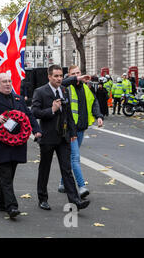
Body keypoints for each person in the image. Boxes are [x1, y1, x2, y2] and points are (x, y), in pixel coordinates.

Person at [0, 73, 42, 219]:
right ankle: (12, 206)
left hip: (17, 143)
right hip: (0, 143)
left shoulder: (18, 99)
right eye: (4, 82)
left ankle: (0, 202)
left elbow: (29, 116)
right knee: (6, 175)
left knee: (9, 175)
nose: (8, 84)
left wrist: (37, 130)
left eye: (9, 81)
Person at [32, 65, 90, 211]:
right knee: (44, 168)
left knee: (67, 169)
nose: (59, 79)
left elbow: (68, 113)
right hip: (48, 137)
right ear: (49, 77)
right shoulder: (40, 91)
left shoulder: (64, 90)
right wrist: (51, 110)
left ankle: (75, 200)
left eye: (60, 76)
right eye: (56, 76)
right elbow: (35, 112)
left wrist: (72, 133)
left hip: (63, 137)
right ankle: (42, 199)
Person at [58, 65, 104, 198]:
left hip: (81, 129)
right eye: (73, 74)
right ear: (69, 76)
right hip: (69, 130)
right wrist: (75, 78)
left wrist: (99, 116)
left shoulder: (85, 87)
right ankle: (82, 186)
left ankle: (63, 183)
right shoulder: (65, 87)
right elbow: (62, 82)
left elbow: (94, 102)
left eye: (78, 73)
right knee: (75, 158)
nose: (77, 75)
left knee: (69, 158)